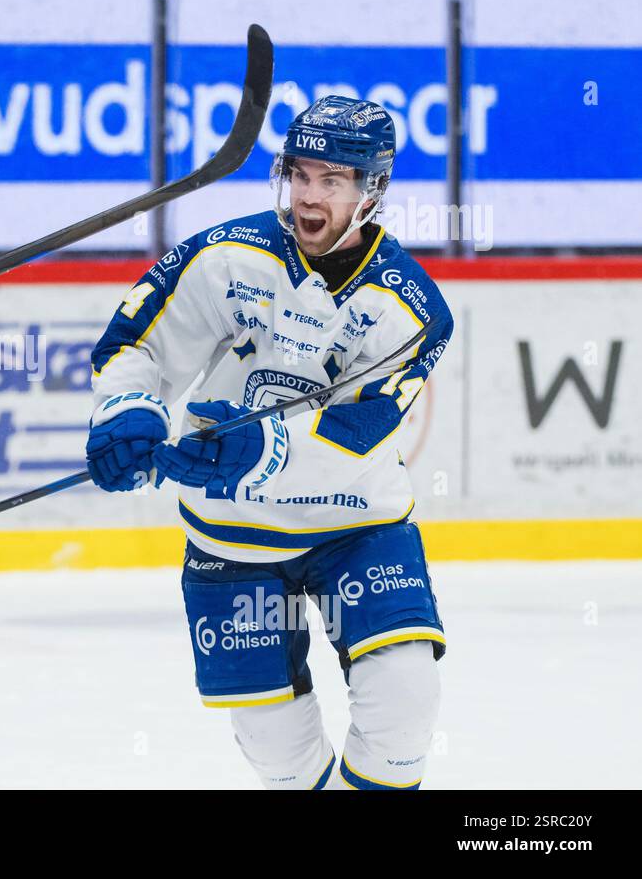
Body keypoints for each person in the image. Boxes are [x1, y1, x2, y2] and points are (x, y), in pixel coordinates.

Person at [86, 95, 452, 789]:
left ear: (372, 189)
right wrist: (131, 411)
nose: (309, 198)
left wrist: (261, 451)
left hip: (358, 523)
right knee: (279, 754)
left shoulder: (412, 308)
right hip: (233, 534)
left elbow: (359, 431)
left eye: (332, 181)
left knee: (405, 702)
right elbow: (139, 343)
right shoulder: (226, 255)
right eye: (301, 175)